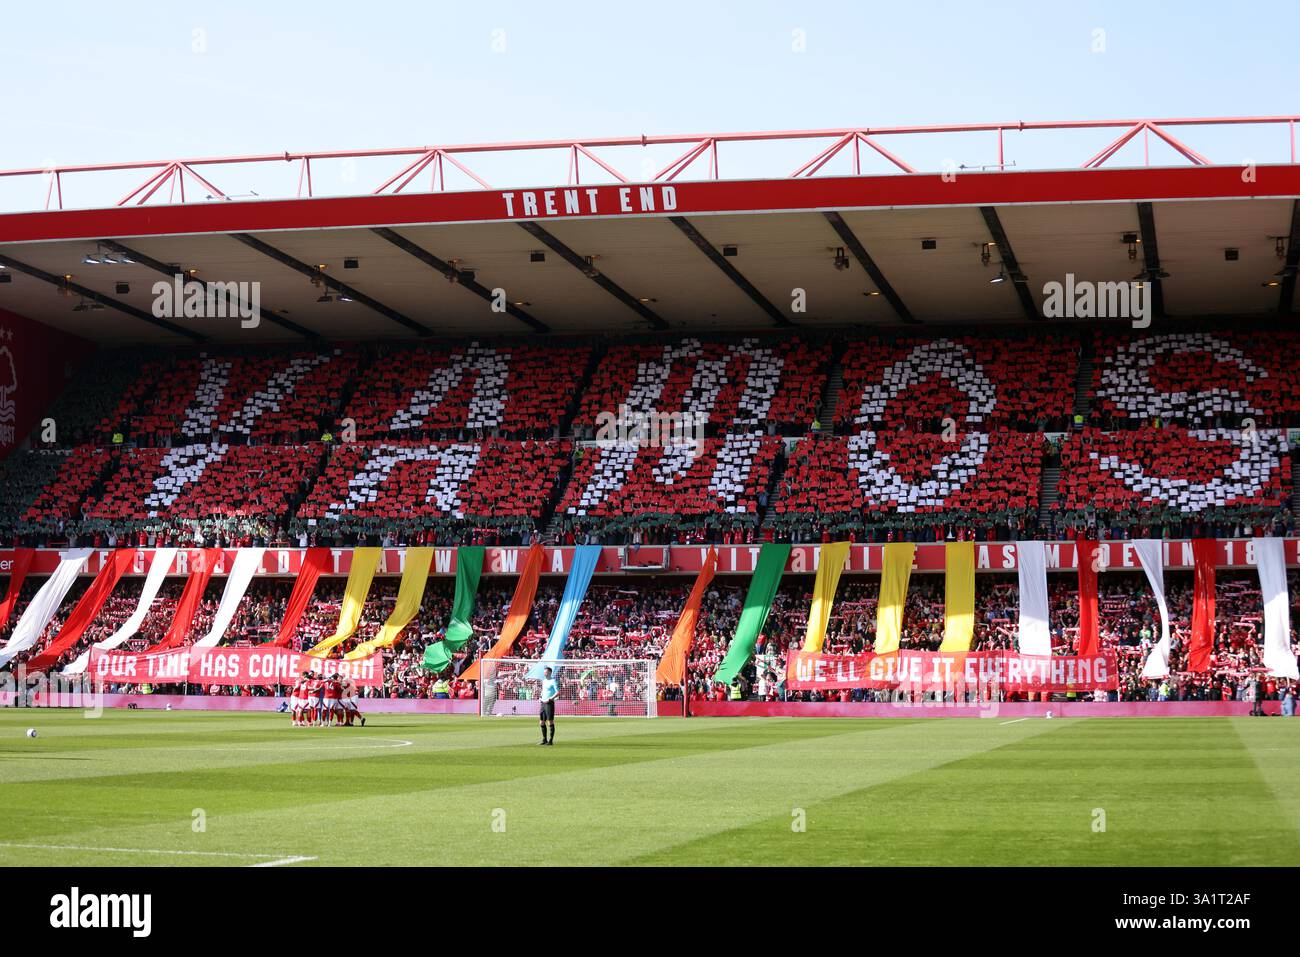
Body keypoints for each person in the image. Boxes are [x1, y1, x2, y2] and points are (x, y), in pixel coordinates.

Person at [539, 666, 558, 746]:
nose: (544, 673)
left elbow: (558, 692)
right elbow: (543, 691)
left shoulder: (553, 681)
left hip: (549, 703)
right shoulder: (544, 681)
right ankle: (544, 739)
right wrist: (540, 697)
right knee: (541, 722)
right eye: (544, 672)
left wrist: (550, 699)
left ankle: (550, 740)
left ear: (550, 672)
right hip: (543, 703)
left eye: (546, 672)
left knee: (550, 721)